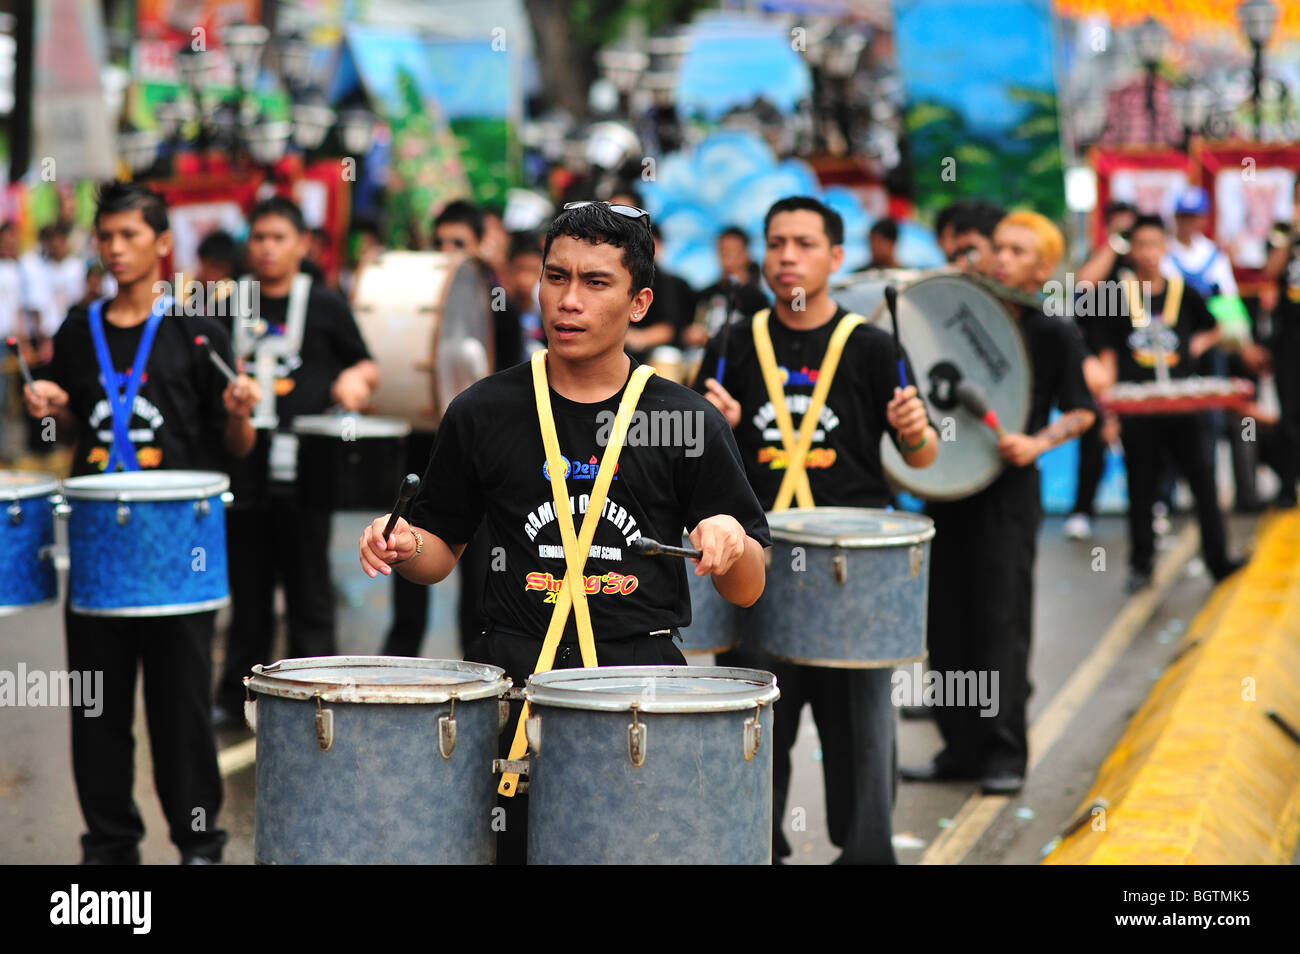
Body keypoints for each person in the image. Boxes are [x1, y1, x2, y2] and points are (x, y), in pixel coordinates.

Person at [358, 200, 770, 864]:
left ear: (638, 304)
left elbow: (749, 589)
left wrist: (731, 540)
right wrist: (404, 544)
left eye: (594, 283)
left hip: (641, 692)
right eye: (556, 277)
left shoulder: (683, 418)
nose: (567, 300)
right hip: (514, 684)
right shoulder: (484, 410)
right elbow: (439, 552)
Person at [693, 196, 938, 865]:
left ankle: (865, 851)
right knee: (753, 723)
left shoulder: (873, 348)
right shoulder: (730, 346)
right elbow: (689, 464)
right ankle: (754, 847)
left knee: (859, 723)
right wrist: (714, 427)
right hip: (756, 560)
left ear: (835, 256)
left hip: (849, 570)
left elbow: (922, 459)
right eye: (775, 243)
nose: (787, 257)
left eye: (804, 243)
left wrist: (919, 436)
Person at [23, 180, 261, 864]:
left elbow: (236, 448)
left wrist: (241, 410)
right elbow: (66, 429)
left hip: (178, 550)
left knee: (179, 705)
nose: (116, 249)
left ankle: (198, 842)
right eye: (107, 237)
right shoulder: (76, 330)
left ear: (163, 243)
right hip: (100, 547)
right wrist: (51, 403)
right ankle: (109, 842)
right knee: (96, 705)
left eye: (130, 236)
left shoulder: (198, 331)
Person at [902, 211, 1096, 796]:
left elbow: (1084, 409)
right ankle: (959, 747)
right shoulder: (958, 313)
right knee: (947, 619)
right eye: (999, 248)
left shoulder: (1052, 331)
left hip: (1008, 493)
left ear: (1042, 268)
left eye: (1017, 251)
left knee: (1001, 622)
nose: (1001, 258)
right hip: (949, 486)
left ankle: (1005, 751)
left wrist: (1037, 442)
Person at [212, 196, 378, 725]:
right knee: (249, 595)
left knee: (309, 591)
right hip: (243, 471)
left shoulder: (326, 303)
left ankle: (317, 693)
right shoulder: (225, 303)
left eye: (278, 237)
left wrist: (356, 381)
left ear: (302, 243)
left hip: (308, 473)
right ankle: (236, 697)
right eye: (258, 237)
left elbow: (365, 363)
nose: (267, 248)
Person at [1091, 214, 1247, 593]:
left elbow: (1218, 325)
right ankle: (1141, 566)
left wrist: (1198, 345)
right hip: (1138, 408)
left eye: (1154, 245)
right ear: (1132, 249)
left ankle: (1218, 560)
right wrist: (1108, 411)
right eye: (1140, 245)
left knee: (1203, 481)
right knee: (1142, 488)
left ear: (1165, 247)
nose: (1147, 253)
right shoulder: (1116, 295)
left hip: (1183, 405)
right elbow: (1107, 351)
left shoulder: (1184, 290)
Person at [1063, 201, 1138, 541]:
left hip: (1136, 364)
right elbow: (1082, 285)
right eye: (1118, 228)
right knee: (1093, 440)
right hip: (1098, 365)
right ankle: (1082, 511)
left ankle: (1153, 509)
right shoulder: (1100, 260)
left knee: (1141, 441)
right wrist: (1112, 245)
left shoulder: (1140, 267)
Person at [1262, 205, 1300, 508]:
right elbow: (1269, 272)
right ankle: (1288, 484)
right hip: (1290, 336)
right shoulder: (1282, 234)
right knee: (1289, 413)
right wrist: (1291, 235)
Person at [685, 226, 770, 349]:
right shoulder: (704, 295)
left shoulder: (758, 300)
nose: (726, 256)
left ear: (746, 254)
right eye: (722, 250)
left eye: (732, 250)